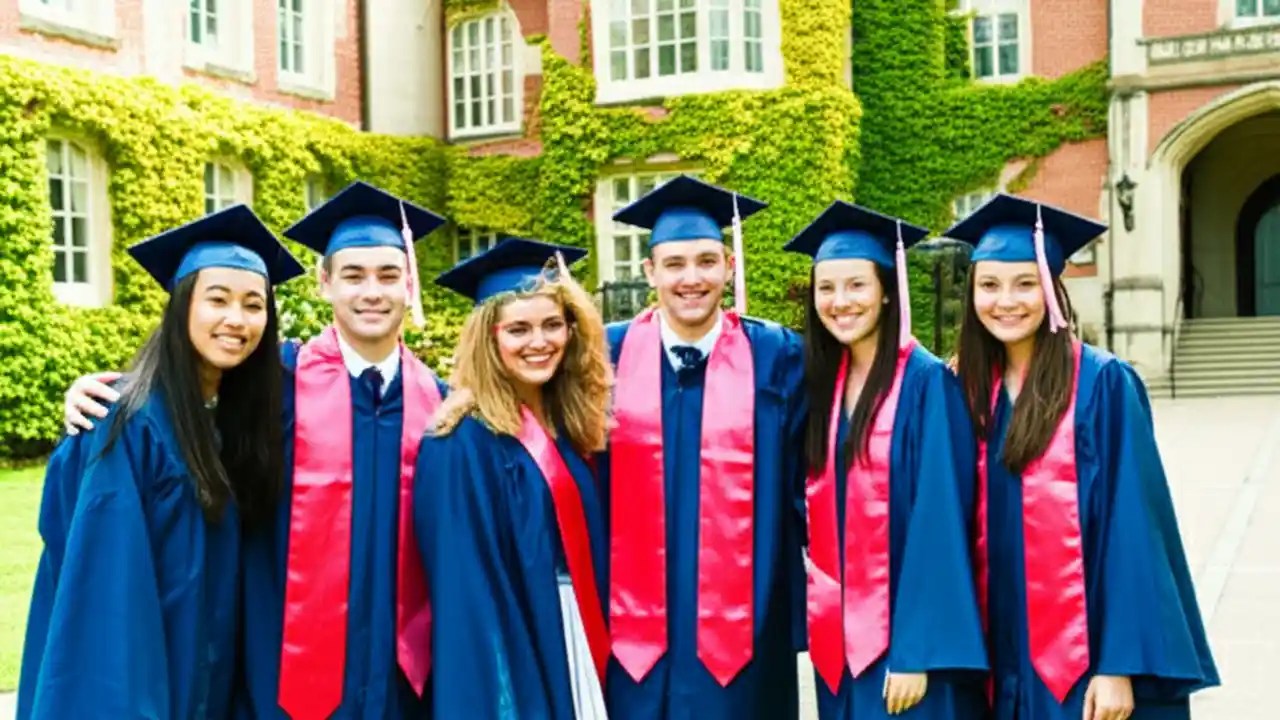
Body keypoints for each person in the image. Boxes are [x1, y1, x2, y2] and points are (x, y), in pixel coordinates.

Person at [59, 181, 452, 719]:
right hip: (278, 676)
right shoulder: (275, 386)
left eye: (388, 275)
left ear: (411, 283)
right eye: (353, 275)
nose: (372, 292)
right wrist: (95, 395)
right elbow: (184, 396)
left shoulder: (445, 408)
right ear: (323, 282)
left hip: (403, 680)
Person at [18, 204, 303, 719]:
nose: (236, 320)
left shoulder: (242, 416)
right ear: (182, 307)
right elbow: (104, 603)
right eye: (217, 300)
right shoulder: (128, 424)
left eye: (253, 304)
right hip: (146, 688)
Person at [947, 193, 1220, 720]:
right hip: (998, 651)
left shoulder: (1102, 384)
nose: (1006, 301)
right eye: (989, 285)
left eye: (1026, 283)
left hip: (1084, 652)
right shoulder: (966, 390)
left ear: (1053, 289)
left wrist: (1119, 665)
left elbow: (1135, 528)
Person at [599, 175, 808, 719]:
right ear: (649, 272)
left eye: (706, 261)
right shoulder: (604, 356)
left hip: (746, 632)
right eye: (674, 264)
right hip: (632, 638)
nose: (691, 279)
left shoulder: (778, 356)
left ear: (729, 267)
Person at [783, 201, 988, 719]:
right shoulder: (820, 387)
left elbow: (940, 523)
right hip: (840, 648)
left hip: (907, 651)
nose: (840, 302)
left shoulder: (928, 384)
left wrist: (916, 651)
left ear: (887, 290)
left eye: (856, 285)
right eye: (826, 289)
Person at [415, 238, 613, 718]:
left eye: (552, 325)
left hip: (578, 631)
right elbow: (467, 593)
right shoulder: (460, 440)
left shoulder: (573, 426)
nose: (538, 342)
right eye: (518, 329)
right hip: (517, 646)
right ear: (490, 338)